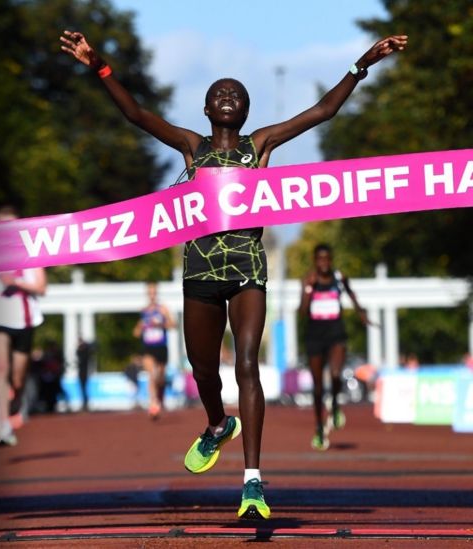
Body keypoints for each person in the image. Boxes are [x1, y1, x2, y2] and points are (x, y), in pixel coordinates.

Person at [61, 28, 406, 520]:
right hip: (199, 270)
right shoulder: (191, 146)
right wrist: (100, 66)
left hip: (247, 266)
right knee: (203, 368)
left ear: (246, 110)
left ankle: (253, 483)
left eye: (236, 95)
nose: (227, 97)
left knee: (247, 362)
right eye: (219, 94)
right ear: (205, 109)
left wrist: (362, 63)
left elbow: (322, 112)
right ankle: (218, 423)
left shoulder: (258, 146)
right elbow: (136, 115)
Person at [298, 244, 370, 451]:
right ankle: (320, 429)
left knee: (337, 374)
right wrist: (308, 289)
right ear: (314, 260)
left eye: (327, 258)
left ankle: (336, 405)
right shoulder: (308, 280)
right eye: (320, 259)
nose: (324, 262)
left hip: (336, 333)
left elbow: (352, 294)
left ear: (331, 259)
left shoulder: (339, 278)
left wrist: (361, 313)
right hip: (315, 336)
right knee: (318, 386)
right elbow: (302, 311)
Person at [0, 206, 46, 446]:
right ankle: (4, 424)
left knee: (18, 378)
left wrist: (16, 283)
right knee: (1, 367)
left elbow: (41, 288)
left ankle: (16, 401)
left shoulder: (31, 251)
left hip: (25, 319)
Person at [132, 282, 175, 419]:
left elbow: (173, 325)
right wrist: (143, 327)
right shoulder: (144, 311)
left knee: (160, 377)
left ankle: (160, 398)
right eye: (149, 293)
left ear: (156, 294)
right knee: (151, 374)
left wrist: (161, 323)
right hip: (148, 347)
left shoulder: (162, 309)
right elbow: (136, 333)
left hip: (161, 347)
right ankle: (153, 403)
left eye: (154, 293)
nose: (152, 295)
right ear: (147, 294)